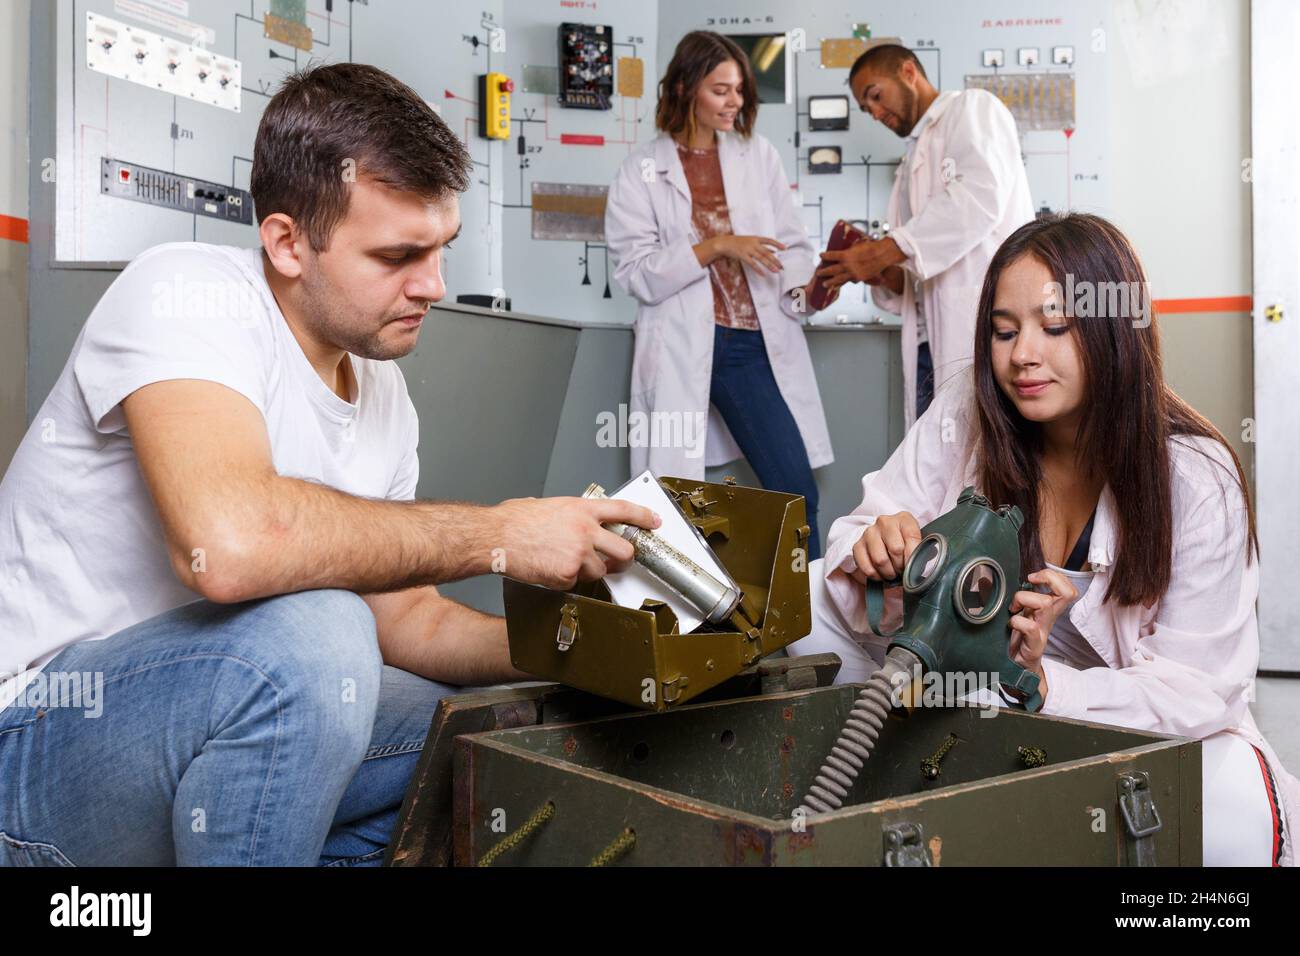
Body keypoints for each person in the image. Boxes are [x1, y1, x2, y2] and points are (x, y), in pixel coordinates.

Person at [0, 63, 659, 867]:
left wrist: (587, 647)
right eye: (398, 255)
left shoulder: (383, 391)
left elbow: (411, 621)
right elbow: (232, 547)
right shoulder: (183, 295)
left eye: (442, 248)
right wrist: (501, 533)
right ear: (285, 242)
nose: (434, 285)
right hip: (36, 749)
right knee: (316, 637)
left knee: (462, 732)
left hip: (191, 742)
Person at [789, 213, 1298, 866]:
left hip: (1130, 721)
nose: (1022, 354)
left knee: (1230, 812)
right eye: (1004, 331)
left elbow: (1194, 693)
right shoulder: (964, 419)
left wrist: (1045, 685)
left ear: (1113, 327)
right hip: (987, 693)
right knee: (804, 593)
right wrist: (879, 553)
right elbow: (870, 525)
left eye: (1053, 327)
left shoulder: (1196, 480)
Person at [606, 30, 832, 558]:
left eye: (739, 91)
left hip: (748, 345)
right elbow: (637, 273)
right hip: (681, 347)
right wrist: (718, 245)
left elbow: (793, 246)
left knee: (797, 492)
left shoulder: (759, 156)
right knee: (669, 506)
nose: (735, 102)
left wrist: (809, 290)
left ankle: (814, 625)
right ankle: (679, 627)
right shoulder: (641, 171)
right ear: (686, 88)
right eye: (721, 90)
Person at [815, 42, 1033, 426]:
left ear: (908, 72)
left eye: (876, 96)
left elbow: (979, 196)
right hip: (928, 345)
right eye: (868, 110)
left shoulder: (972, 108)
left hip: (981, 329)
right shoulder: (910, 163)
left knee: (990, 462)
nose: (877, 113)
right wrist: (884, 274)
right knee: (937, 468)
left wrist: (886, 250)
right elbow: (918, 266)